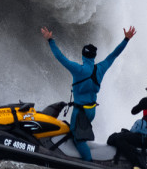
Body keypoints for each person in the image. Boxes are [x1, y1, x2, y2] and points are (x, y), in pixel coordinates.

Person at [40, 25, 136, 161]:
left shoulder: (78, 70)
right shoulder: (101, 68)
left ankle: (88, 163)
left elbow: (60, 57)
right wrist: (126, 39)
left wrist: (50, 40)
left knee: (78, 139)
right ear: (94, 56)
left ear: (83, 55)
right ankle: (76, 153)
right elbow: (114, 55)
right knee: (77, 134)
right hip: (91, 111)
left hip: (80, 112)